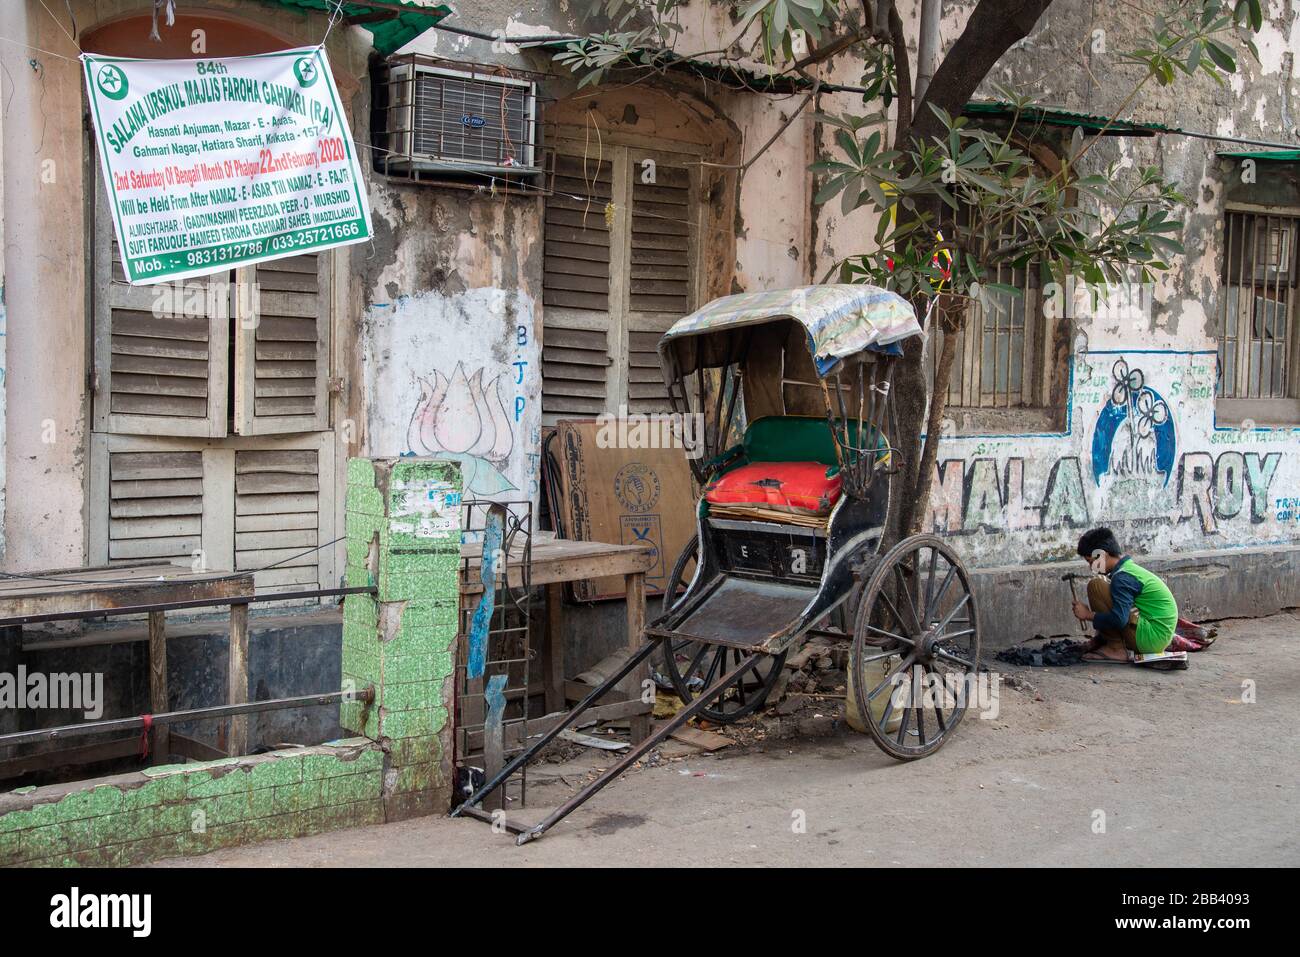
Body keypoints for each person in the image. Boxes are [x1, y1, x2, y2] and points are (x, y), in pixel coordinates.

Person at [1072, 527, 1178, 662]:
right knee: (1105, 587)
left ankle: (1116, 649)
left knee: (1096, 586)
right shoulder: (1127, 570)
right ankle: (1104, 641)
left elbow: (1119, 619)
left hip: (1151, 638)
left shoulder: (1122, 578)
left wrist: (1087, 615)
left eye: (1091, 562)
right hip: (1157, 636)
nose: (1091, 567)